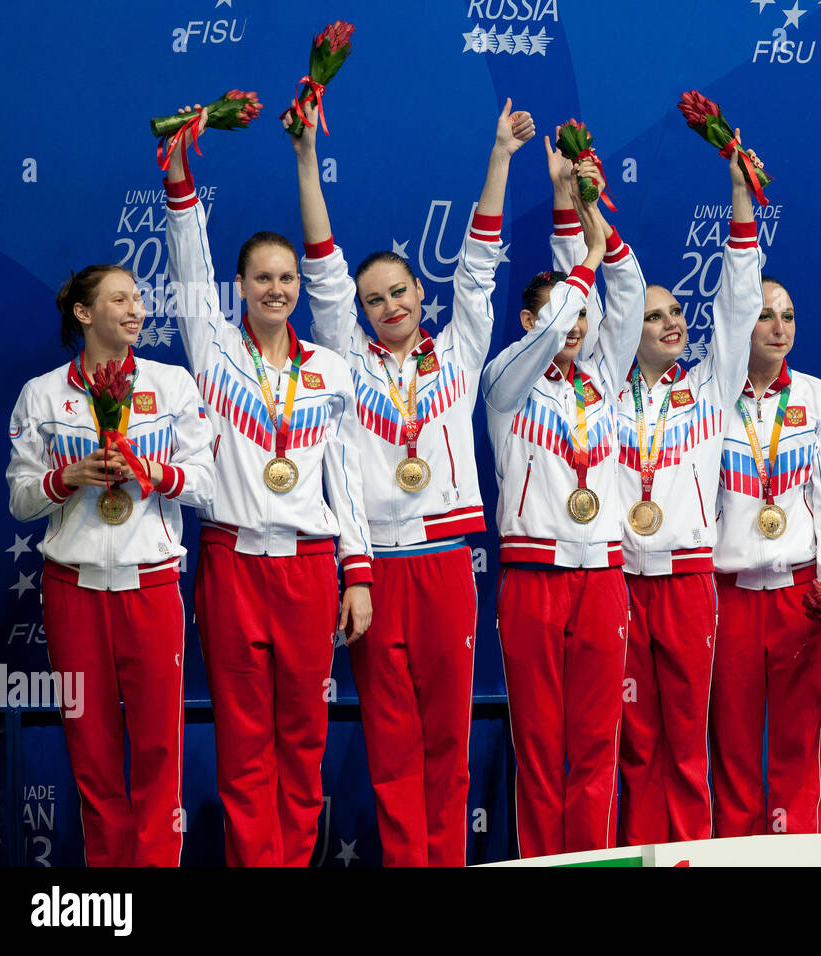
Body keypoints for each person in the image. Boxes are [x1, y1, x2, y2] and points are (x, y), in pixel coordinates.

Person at [293, 98, 533, 866]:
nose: (389, 305)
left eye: (399, 292)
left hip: (445, 564)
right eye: (374, 299)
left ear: (419, 296)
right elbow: (323, 267)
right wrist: (305, 158)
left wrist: (499, 156)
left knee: (446, 743)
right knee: (392, 747)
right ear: (358, 312)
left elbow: (481, 265)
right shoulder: (341, 361)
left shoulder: (459, 353)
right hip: (374, 573)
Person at [162, 106, 374, 866]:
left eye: (288, 278)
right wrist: (181, 179)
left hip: (312, 567)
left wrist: (358, 571)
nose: (278, 289)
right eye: (263, 278)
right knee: (245, 739)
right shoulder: (214, 351)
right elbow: (188, 263)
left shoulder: (330, 371)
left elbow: (344, 477)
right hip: (232, 562)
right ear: (242, 287)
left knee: (304, 736)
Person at [543, 135, 764, 846]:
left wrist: (737, 195)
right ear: (620, 329)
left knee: (689, 749)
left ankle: (692, 862)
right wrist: (572, 200)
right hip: (619, 582)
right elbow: (569, 295)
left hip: (690, 580)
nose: (671, 322)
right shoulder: (598, 387)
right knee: (634, 750)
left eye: (675, 315)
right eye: (653, 315)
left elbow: (739, 301)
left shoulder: (709, 385)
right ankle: (638, 859)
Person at [7, 265, 214, 865]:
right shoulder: (43, 394)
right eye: (120, 299)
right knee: (92, 755)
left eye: (139, 298)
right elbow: (19, 499)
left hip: (150, 587)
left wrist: (153, 473)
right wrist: (64, 478)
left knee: (158, 750)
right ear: (83, 313)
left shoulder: (172, 384)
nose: (136, 309)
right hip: (72, 592)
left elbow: (203, 483)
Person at [481, 161, 645, 858]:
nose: (576, 325)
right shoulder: (505, 380)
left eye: (584, 317)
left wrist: (584, 210)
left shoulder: (605, 379)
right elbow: (549, 332)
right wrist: (578, 274)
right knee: (542, 748)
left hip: (602, 575)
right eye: (562, 314)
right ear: (530, 319)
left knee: (595, 746)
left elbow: (628, 291)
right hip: (533, 580)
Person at [709, 275, 821, 837]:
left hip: (801, 596)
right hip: (730, 594)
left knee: (799, 743)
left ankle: (797, 852)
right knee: (733, 744)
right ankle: (734, 852)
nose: (779, 328)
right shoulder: (711, 397)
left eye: (789, 316)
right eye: (765, 315)